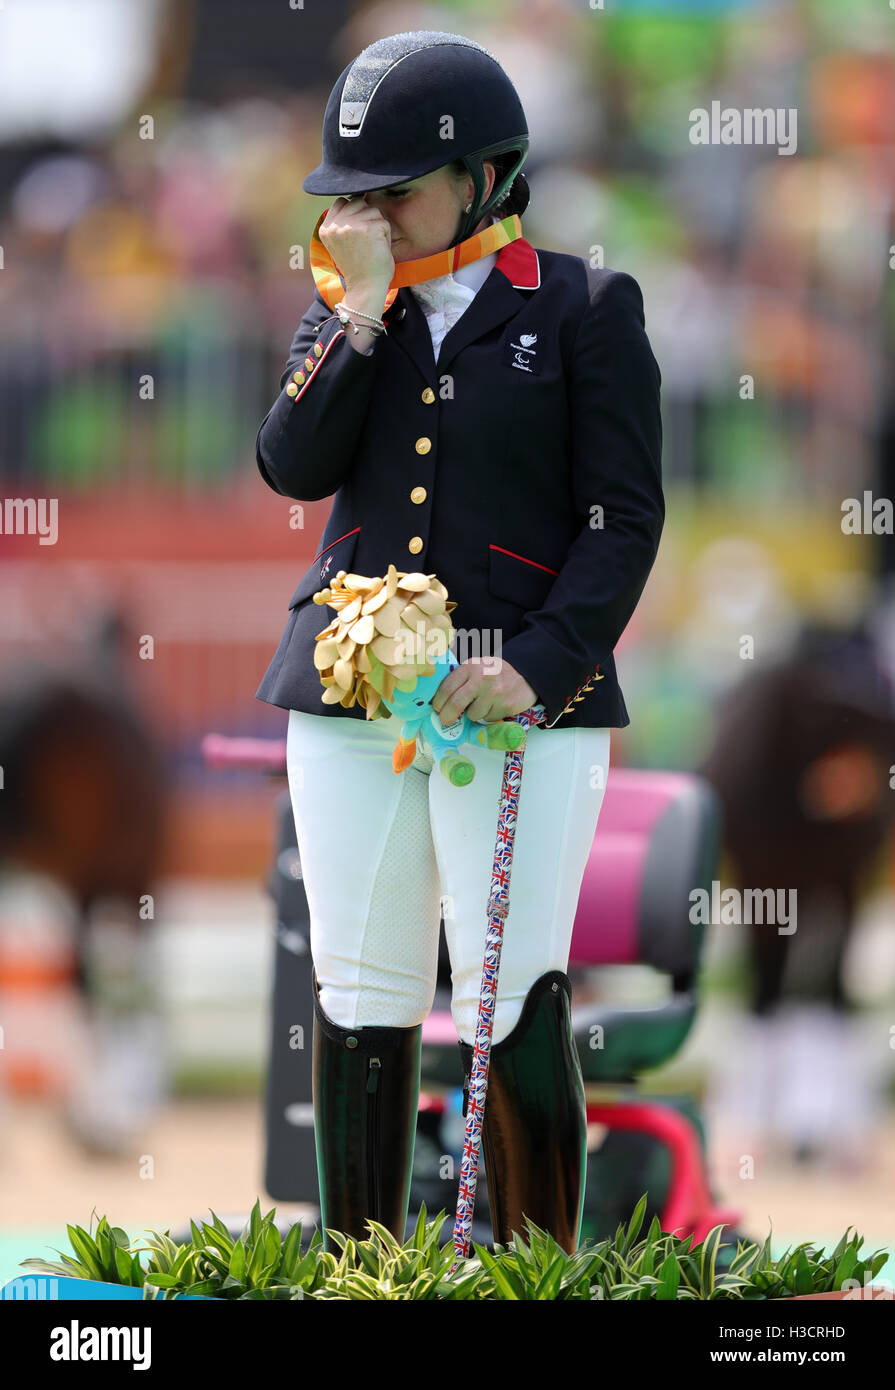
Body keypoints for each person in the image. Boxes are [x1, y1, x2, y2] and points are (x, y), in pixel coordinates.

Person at [254, 30, 664, 1254]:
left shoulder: (586, 305)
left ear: (484, 178)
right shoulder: (343, 316)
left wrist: (536, 666)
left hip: (515, 698)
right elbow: (291, 466)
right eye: (350, 199)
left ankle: (540, 1274)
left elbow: (622, 522)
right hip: (347, 697)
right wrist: (365, 317)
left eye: (393, 193)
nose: (364, 218)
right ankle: (358, 1270)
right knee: (361, 987)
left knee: (510, 989)